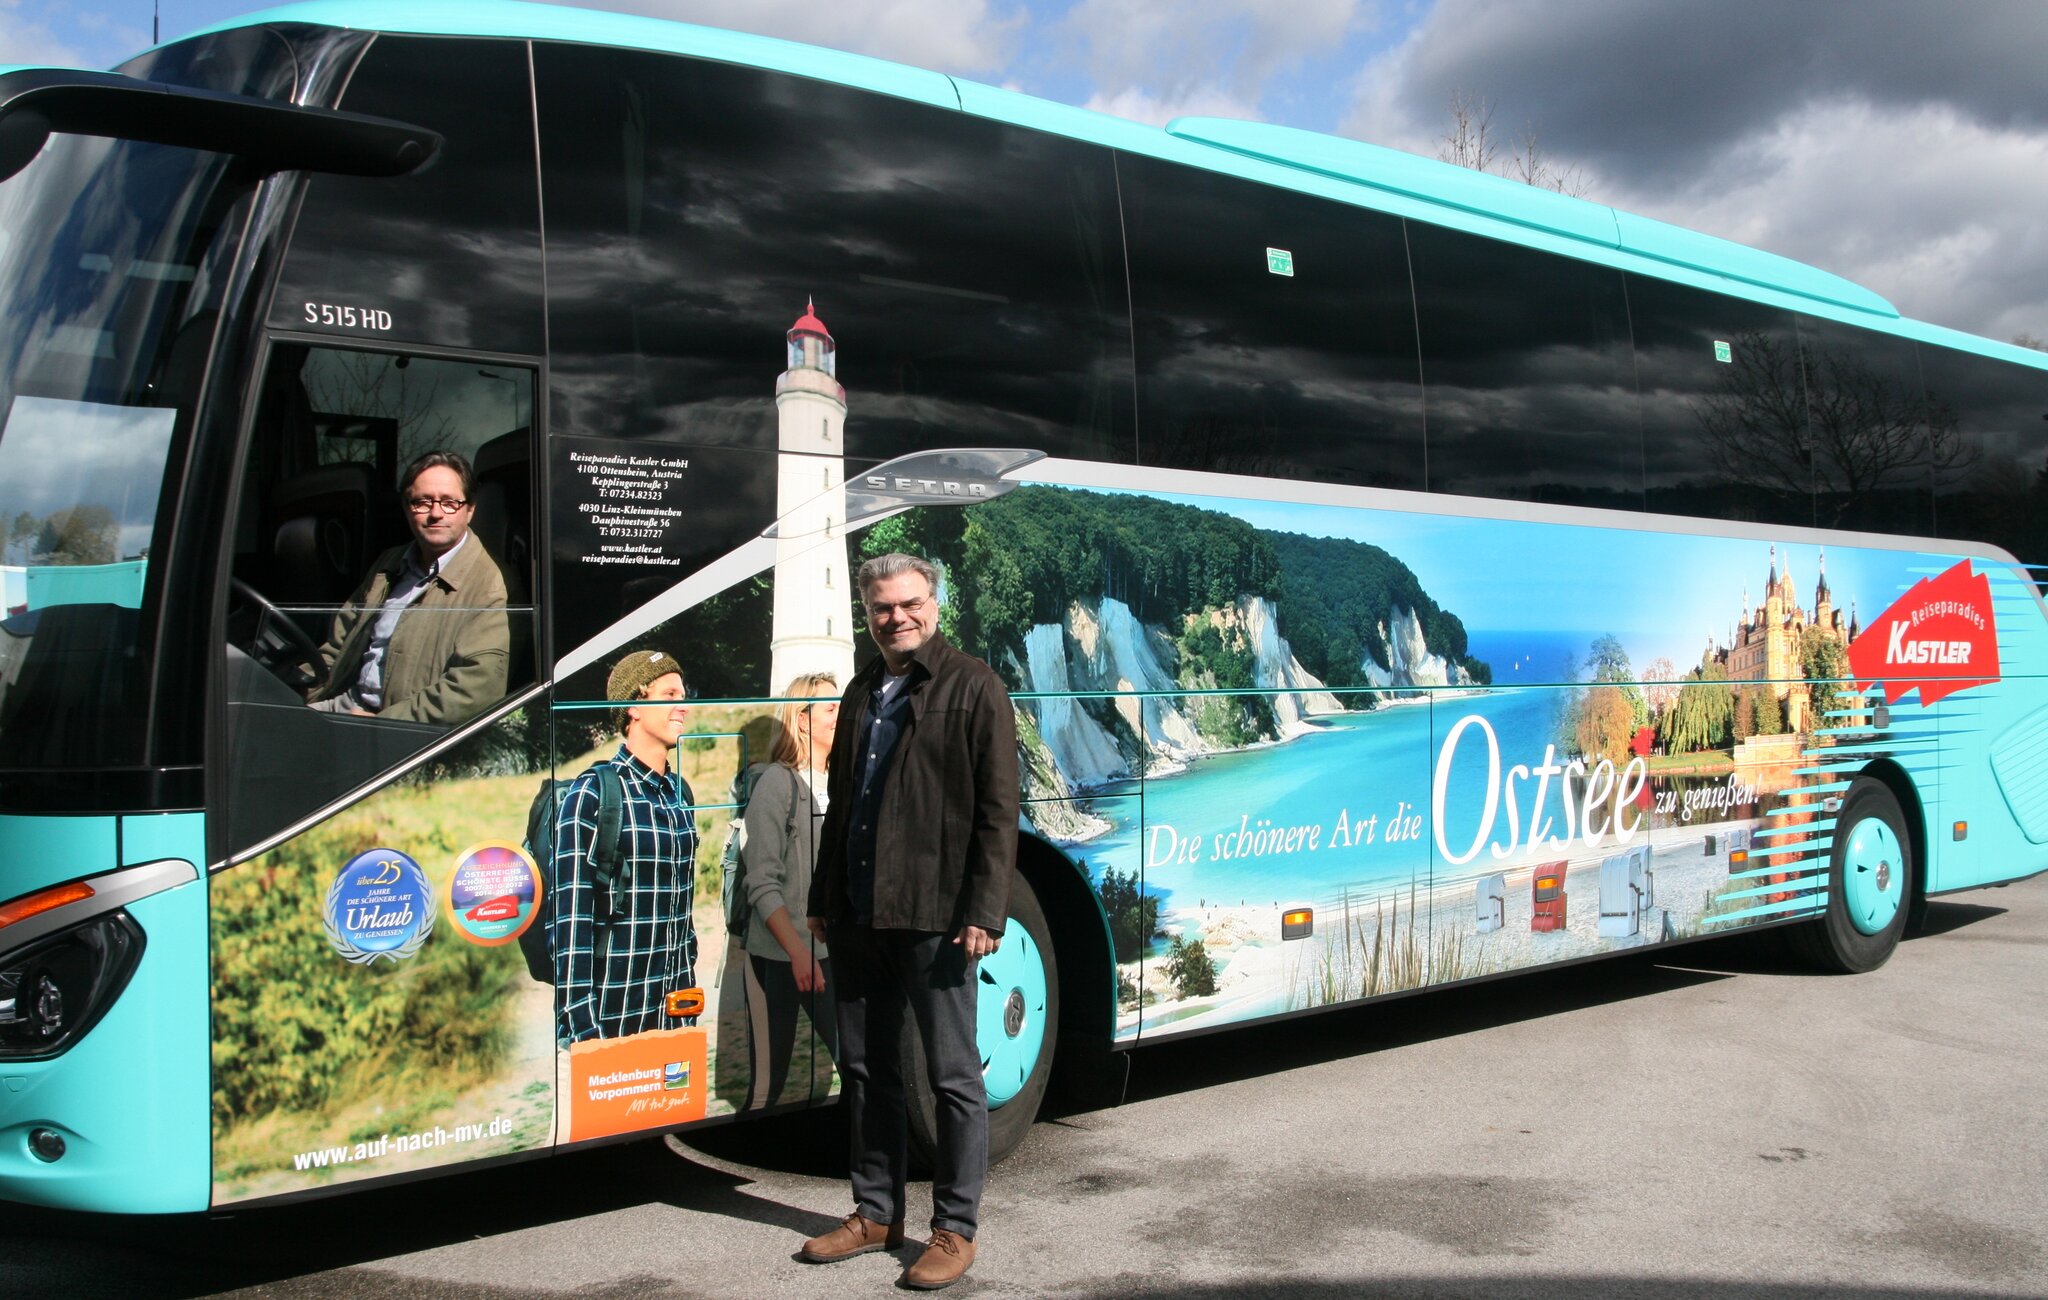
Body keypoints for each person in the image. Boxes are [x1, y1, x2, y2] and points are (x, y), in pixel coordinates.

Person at [801, 553, 1019, 1291]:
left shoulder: (973, 684)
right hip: (862, 911)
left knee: (954, 1077)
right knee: (867, 1070)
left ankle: (954, 1229)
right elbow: (844, 806)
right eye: (882, 608)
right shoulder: (863, 689)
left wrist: (985, 912)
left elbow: (998, 813)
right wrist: (822, 898)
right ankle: (874, 1213)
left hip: (935, 915)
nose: (897, 617)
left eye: (909, 603)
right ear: (867, 614)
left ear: (934, 603)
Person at [554, 650, 700, 1044]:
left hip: (673, 1015)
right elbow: (570, 922)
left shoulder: (680, 794)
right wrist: (585, 1029)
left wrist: (687, 1011)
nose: (682, 706)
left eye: (683, 696)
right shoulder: (593, 793)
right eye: (669, 695)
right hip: (610, 1018)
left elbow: (681, 921)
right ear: (634, 706)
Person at [307, 449, 509, 725]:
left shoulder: (491, 583)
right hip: (347, 705)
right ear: (406, 508)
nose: (436, 513)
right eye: (423, 502)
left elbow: (475, 688)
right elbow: (339, 645)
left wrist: (385, 725)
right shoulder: (389, 563)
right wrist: (296, 689)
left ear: (470, 509)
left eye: (450, 502)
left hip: (400, 733)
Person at [739, 671, 841, 1109]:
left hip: (827, 954)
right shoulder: (777, 783)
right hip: (779, 959)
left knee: (857, 1061)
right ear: (802, 720)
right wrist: (799, 954)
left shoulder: (842, 782)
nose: (843, 715)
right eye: (832, 708)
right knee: (769, 1083)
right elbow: (761, 882)